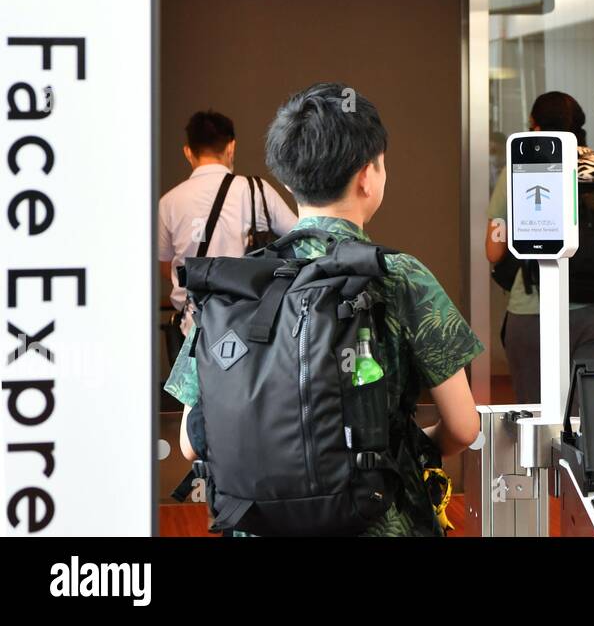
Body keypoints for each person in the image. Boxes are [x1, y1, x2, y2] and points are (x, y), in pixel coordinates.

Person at [165, 83, 483, 536]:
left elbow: (190, 445)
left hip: (257, 524)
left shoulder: (234, 284)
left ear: (288, 181)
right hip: (379, 520)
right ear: (368, 177)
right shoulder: (398, 274)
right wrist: (403, 449)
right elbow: (464, 426)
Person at [484, 91, 594, 404]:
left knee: (538, 420)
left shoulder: (520, 171)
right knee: (592, 419)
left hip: (535, 310)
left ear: (535, 128)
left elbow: (494, 251)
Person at [158, 110, 297, 332]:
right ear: (231, 147)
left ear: (188, 152)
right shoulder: (255, 191)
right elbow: (300, 235)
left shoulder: (168, 202)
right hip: (249, 323)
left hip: (194, 329)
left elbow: (167, 266)